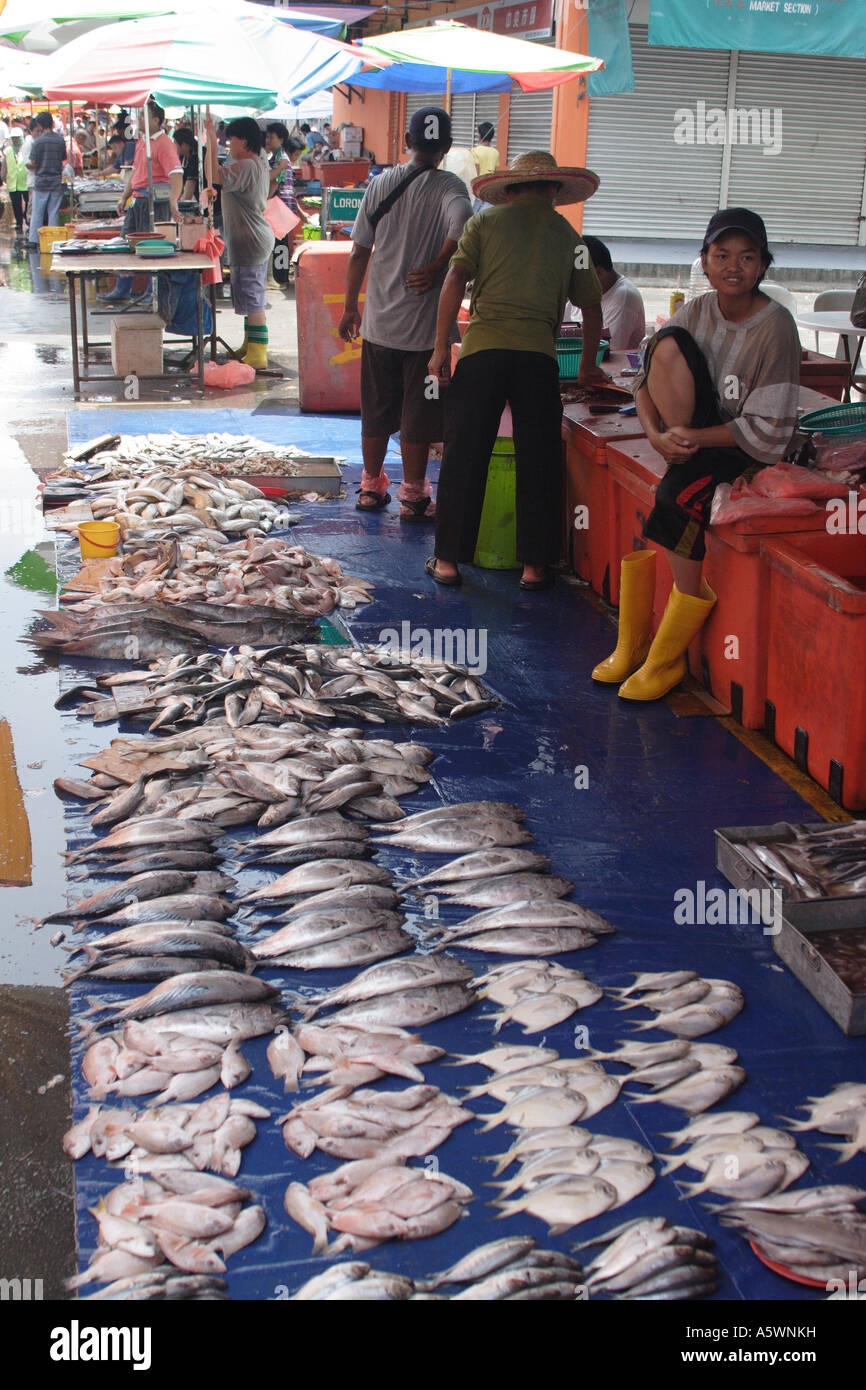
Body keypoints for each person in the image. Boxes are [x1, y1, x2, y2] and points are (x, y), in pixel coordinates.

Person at [592, 207, 801, 701]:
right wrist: (658, 434)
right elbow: (643, 377)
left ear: (763, 265)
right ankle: (635, 643)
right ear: (704, 262)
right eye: (721, 255)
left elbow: (768, 426)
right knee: (667, 343)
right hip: (691, 432)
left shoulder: (777, 326)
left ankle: (666, 659)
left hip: (744, 443)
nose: (734, 266)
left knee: (677, 496)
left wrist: (689, 439)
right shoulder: (698, 309)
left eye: (747, 257)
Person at [427, 150, 606, 591]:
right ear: (552, 191)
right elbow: (592, 305)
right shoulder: (570, 237)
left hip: (481, 352)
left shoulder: (484, 224)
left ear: (509, 190)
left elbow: (453, 281)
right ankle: (534, 568)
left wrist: (437, 351)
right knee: (538, 459)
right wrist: (585, 366)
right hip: (537, 359)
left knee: (465, 454)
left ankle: (448, 561)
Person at [338, 106, 472, 521]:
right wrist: (439, 264)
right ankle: (413, 495)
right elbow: (464, 222)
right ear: (446, 147)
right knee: (420, 410)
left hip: (379, 326)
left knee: (376, 409)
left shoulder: (381, 185)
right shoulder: (452, 187)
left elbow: (359, 250)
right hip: (426, 339)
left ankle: (370, 485)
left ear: (407, 143)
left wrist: (349, 307)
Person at [205, 113, 274, 369]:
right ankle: (251, 344)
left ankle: (258, 353)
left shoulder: (247, 166)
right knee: (249, 294)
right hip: (252, 238)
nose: (229, 146)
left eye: (231, 141)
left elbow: (214, 175)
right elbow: (215, 175)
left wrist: (211, 140)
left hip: (251, 239)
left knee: (253, 297)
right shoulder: (258, 161)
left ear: (244, 142)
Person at [100, 99, 182, 303]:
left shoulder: (164, 144)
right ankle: (122, 288)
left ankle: (150, 292)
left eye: (144, 115)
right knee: (126, 244)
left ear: (156, 120)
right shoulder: (142, 142)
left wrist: (173, 201)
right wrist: (124, 197)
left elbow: (176, 173)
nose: (139, 119)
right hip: (137, 200)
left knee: (152, 248)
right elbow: (136, 171)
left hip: (154, 202)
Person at [568, 235, 645, 350]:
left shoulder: (623, 298)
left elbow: (608, 352)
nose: (573, 282)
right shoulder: (584, 292)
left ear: (598, 273)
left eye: (576, 277)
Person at [264, 122, 308, 286]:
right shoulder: (278, 157)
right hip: (282, 206)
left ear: (281, 139)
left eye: (271, 137)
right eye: (267, 136)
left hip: (278, 207)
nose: (268, 140)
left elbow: (275, 183)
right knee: (278, 243)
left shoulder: (280, 159)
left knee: (278, 244)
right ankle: (278, 278)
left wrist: (263, 202)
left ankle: (278, 278)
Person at [26, 112, 67, 248]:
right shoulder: (60, 140)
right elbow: (62, 158)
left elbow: (33, 162)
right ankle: (52, 241)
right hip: (56, 181)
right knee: (53, 212)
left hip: (41, 182)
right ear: (51, 123)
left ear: (40, 125)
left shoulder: (38, 142)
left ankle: (34, 241)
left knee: (37, 212)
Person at [2, 125, 30, 232]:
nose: (15, 140)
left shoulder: (26, 148)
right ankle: (19, 221)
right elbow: (5, 165)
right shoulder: (8, 150)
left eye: (17, 138)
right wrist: (3, 177)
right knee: (16, 203)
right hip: (13, 181)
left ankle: (26, 217)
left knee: (28, 201)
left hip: (25, 181)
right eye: (13, 138)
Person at [173, 126, 199, 200]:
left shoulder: (197, 156)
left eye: (175, 143)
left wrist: (180, 205)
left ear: (184, 145)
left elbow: (190, 185)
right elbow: (180, 181)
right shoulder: (184, 157)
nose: (173, 146)